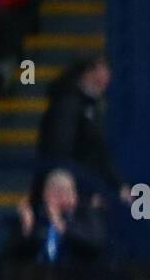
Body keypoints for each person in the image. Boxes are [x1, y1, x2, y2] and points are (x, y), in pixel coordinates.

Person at [37, 55, 129, 205]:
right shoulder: (68, 104)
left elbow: (98, 151)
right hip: (67, 190)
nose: (106, 79)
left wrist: (117, 186)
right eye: (101, 73)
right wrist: (75, 189)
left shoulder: (92, 106)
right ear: (87, 73)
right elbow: (60, 147)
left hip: (83, 189)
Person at [16, 168, 105, 264]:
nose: (62, 196)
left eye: (66, 191)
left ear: (74, 195)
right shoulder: (35, 214)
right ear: (45, 194)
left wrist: (59, 223)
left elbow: (96, 245)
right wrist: (27, 229)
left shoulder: (87, 213)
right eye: (55, 191)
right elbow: (15, 255)